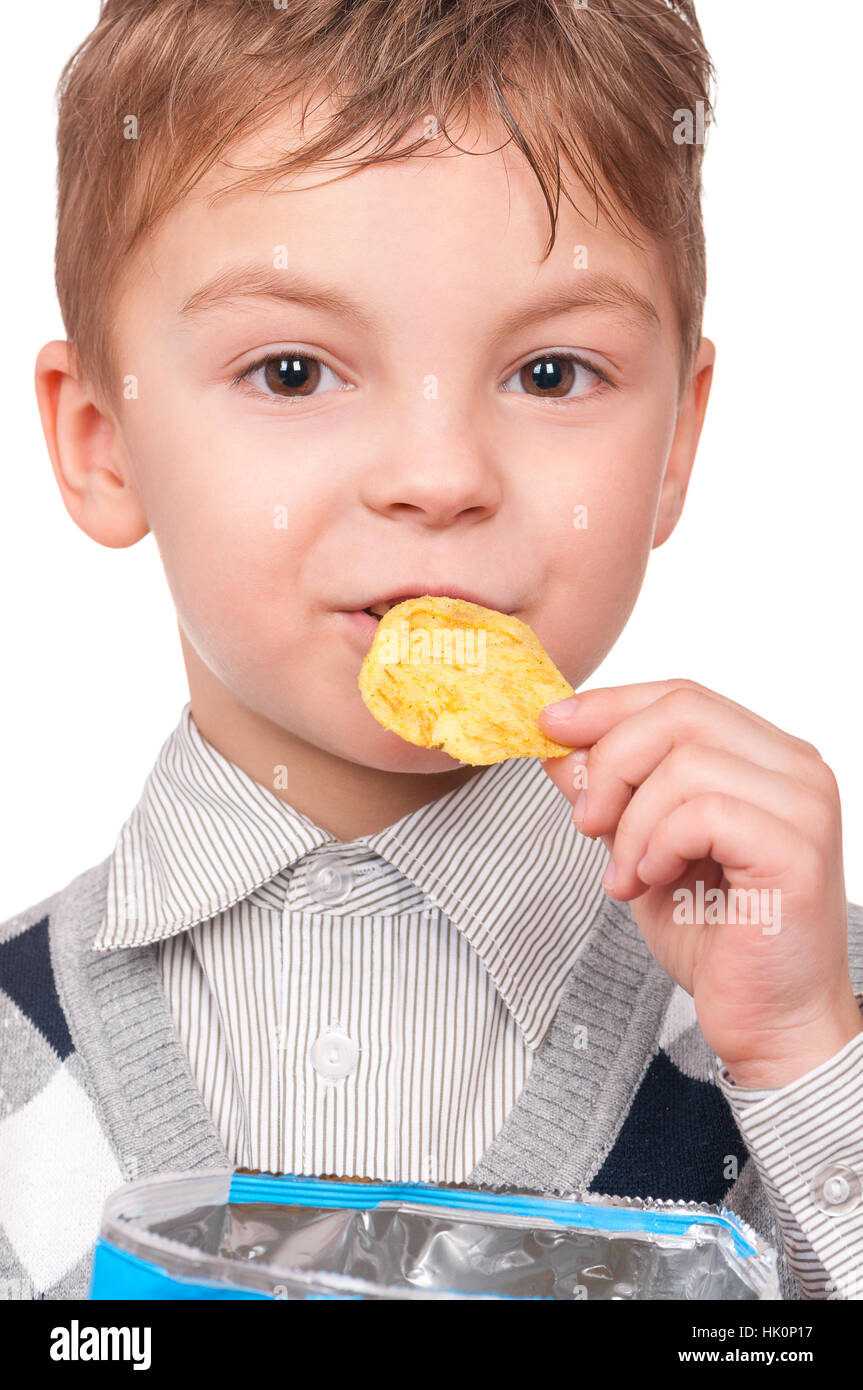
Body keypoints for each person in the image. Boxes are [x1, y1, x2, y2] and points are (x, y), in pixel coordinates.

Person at [2, 0, 861, 1301]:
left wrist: (805, 1058)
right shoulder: (19, 1053)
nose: (441, 474)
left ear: (677, 443)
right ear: (101, 442)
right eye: (293, 371)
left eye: (553, 372)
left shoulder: (811, 1012)